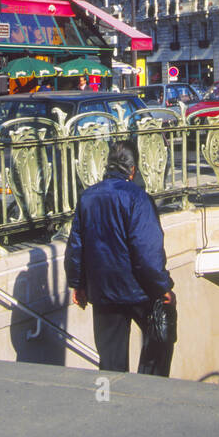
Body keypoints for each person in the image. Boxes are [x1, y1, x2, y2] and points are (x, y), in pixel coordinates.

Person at [65, 139, 175, 375]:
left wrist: (78, 284)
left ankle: (106, 401)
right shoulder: (137, 198)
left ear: (107, 166)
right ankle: (147, 395)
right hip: (139, 290)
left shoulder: (88, 198)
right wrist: (162, 286)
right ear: (133, 169)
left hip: (103, 291)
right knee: (159, 344)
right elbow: (146, 250)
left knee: (109, 361)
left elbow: (76, 245)